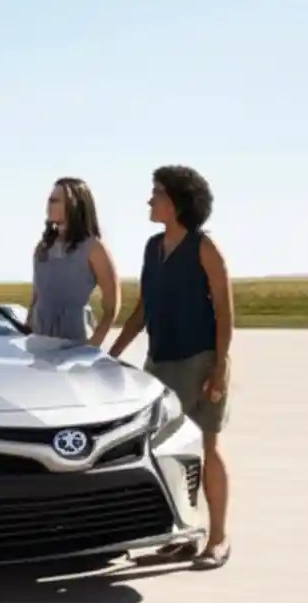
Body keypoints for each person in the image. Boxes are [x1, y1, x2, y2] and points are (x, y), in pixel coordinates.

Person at [108, 165, 233, 570]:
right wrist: (112, 352)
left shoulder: (204, 247)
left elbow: (226, 312)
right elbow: (143, 309)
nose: (149, 199)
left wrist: (220, 366)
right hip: (159, 362)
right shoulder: (152, 247)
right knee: (166, 451)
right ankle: (182, 535)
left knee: (207, 448)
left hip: (199, 361)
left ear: (178, 201)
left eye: (156, 193)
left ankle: (217, 538)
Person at [28, 177, 121, 345]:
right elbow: (36, 297)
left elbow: (112, 303)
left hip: (75, 341)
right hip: (40, 342)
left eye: (55, 201)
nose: (49, 205)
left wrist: (94, 344)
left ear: (74, 205)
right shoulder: (43, 248)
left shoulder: (93, 248)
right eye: (49, 200)